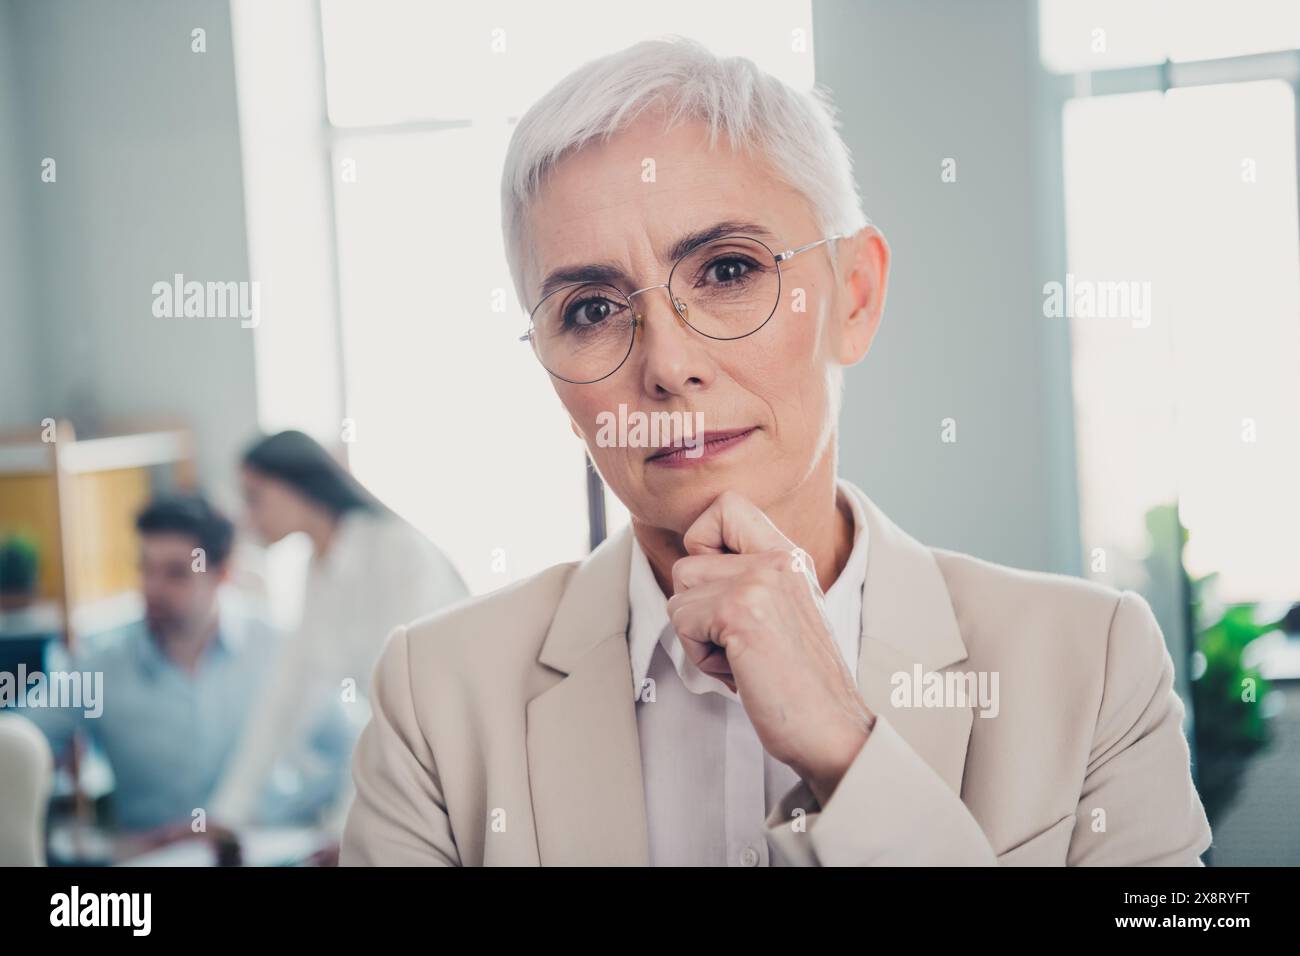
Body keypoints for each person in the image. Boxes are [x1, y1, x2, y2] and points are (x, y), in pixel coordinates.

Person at [340, 37, 1212, 866]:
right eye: (592, 310)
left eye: (726, 271)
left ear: (856, 296)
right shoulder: (435, 698)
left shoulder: (1092, 664)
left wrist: (849, 749)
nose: (669, 367)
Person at [209, 430, 468, 837]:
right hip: (411, 768)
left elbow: (401, 708)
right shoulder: (319, 570)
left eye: (253, 497)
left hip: (453, 760)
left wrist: (346, 826)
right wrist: (227, 814)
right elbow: (286, 698)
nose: (246, 515)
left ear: (295, 485)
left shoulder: (396, 550)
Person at [19, 495, 306, 835]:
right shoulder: (100, 665)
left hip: (269, 848)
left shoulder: (278, 650)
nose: (152, 588)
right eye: (145, 569)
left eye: (175, 573)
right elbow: (16, 739)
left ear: (223, 573)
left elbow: (349, 746)